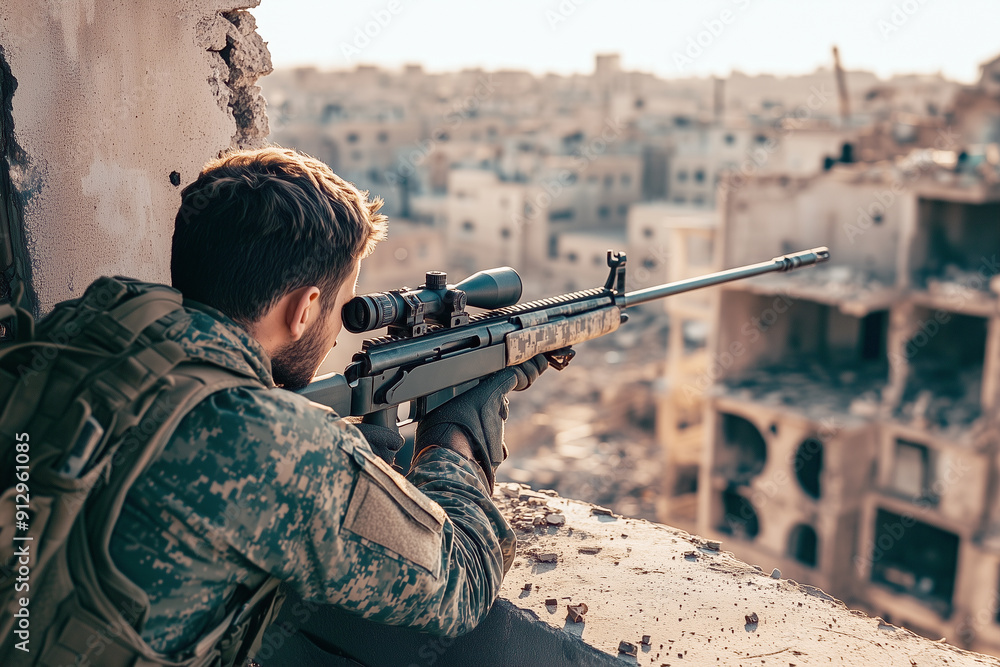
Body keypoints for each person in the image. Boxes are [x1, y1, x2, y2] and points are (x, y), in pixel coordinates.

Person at [106, 147, 544, 663]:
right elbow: (465, 581)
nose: (339, 327)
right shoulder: (283, 449)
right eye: (345, 305)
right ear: (304, 309)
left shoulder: (93, 332)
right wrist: (457, 433)